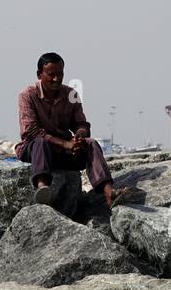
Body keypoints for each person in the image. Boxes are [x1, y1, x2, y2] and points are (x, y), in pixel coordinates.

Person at [16, 52, 118, 206]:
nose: (56, 79)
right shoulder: (27, 95)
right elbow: (31, 131)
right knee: (40, 143)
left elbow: (81, 124)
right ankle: (43, 188)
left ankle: (108, 191)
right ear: (39, 74)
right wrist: (65, 144)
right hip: (37, 150)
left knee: (91, 143)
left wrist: (79, 137)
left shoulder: (71, 94)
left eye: (60, 74)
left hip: (63, 152)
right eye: (51, 75)